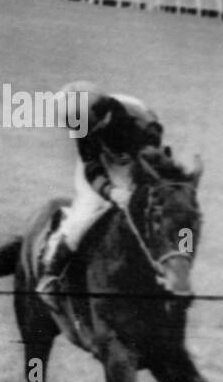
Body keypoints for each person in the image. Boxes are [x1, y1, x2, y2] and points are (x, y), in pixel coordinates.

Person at [35, 82, 165, 296]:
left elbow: (153, 154)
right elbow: (92, 165)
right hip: (102, 165)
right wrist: (111, 192)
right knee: (84, 216)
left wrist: (137, 185)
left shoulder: (140, 116)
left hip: (140, 160)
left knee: (173, 209)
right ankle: (52, 273)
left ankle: (183, 253)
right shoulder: (81, 123)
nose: (89, 134)